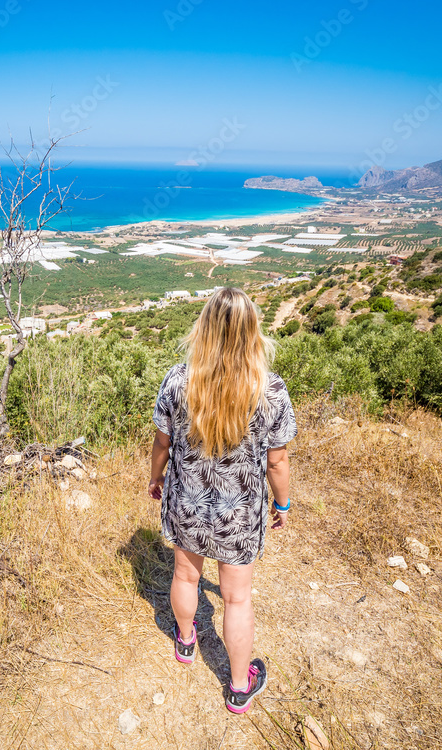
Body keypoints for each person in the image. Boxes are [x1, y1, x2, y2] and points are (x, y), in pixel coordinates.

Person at [148, 287, 296, 714]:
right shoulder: (269, 390)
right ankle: (237, 685)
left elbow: (162, 443)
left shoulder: (178, 380)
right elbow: (278, 461)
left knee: (185, 576)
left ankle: (186, 640)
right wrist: (282, 505)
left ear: (205, 329)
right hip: (240, 512)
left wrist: (155, 479)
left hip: (187, 503)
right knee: (236, 598)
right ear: (252, 332)